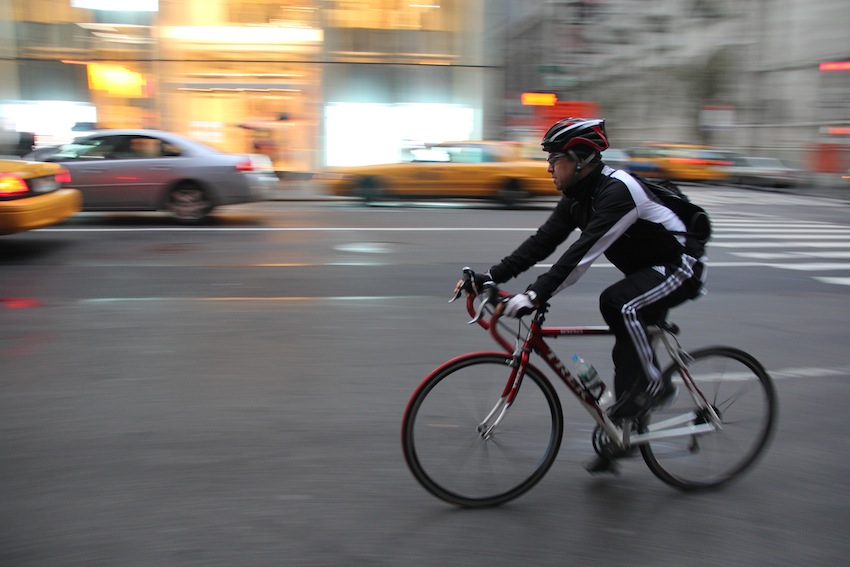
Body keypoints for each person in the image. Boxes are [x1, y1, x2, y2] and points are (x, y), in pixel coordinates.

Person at [458, 117, 707, 473]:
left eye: (554, 159)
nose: (548, 168)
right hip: (646, 273)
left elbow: (580, 257)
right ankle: (623, 438)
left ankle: (657, 386)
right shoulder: (577, 197)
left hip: (680, 266)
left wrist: (533, 295)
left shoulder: (618, 193)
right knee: (625, 355)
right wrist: (491, 277)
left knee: (618, 303)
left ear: (580, 160)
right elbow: (541, 243)